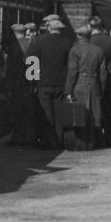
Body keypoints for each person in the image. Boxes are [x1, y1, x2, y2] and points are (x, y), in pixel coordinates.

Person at [30, 16, 72, 149]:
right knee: (59, 113)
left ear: (48, 28)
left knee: (46, 113)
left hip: (43, 83)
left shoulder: (38, 42)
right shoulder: (67, 43)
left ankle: (47, 142)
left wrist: (33, 81)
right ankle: (59, 141)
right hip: (61, 84)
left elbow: (30, 61)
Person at [64, 24, 108, 149]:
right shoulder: (99, 51)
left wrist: (68, 90)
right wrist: (101, 89)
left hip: (79, 83)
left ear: (78, 36)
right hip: (94, 83)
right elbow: (103, 73)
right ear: (90, 36)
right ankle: (95, 141)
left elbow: (72, 71)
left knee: (80, 114)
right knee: (95, 114)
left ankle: (82, 143)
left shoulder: (75, 50)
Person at [89, 16, 111, 145]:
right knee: (110, 110)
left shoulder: (89, 41)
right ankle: (110, 138)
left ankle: (97, 138)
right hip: (109, 79)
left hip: (93, 79)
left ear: (90, 27)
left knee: (96, 110)